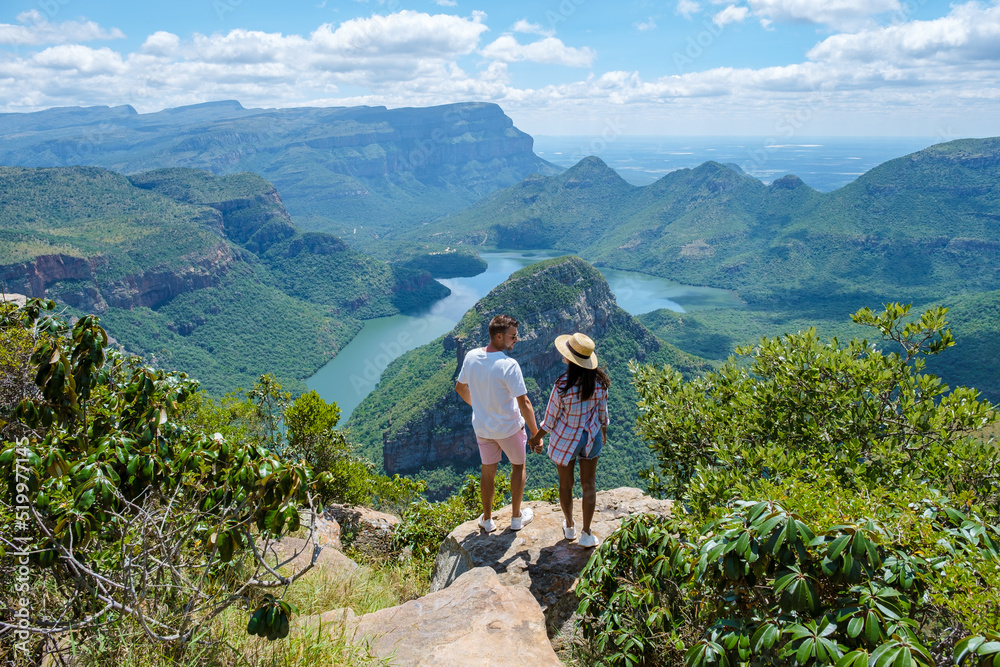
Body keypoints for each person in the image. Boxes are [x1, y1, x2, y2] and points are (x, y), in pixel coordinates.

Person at [455, 314, 539, 533]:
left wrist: (479, 405)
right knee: (518, 467)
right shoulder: (509, 365)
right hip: (509, 428)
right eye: (513, 336)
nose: (517, 340)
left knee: (487, 472)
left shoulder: (472, 356)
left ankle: (488, 519)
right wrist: (535, 434)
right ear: (499, 337)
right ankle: (516, 518)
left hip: (483, 428)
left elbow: (460, 387)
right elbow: (525, 403)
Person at [527, 333, 609, 548]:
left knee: (566, 485)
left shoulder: (562, 385)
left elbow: (550, 421)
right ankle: (587, 533)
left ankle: (570, 526)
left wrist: (535, 438)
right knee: (588, 484)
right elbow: (603, 416)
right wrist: (603, 435)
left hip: (565, 440)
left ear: (569, 359)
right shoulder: (600, 383)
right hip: (591, 438)